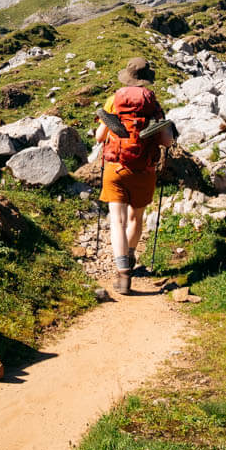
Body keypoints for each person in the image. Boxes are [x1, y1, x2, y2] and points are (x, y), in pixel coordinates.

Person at [96, 57, 174, 295]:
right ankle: (129, 257)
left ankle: (123, 273)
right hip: (144, 169)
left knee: (116, 221)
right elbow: (167, 141)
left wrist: (112, 129)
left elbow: (100, 137)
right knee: (134, 218)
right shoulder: (153, 104)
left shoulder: (113, 100)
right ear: (146, 79)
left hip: (116, 167)